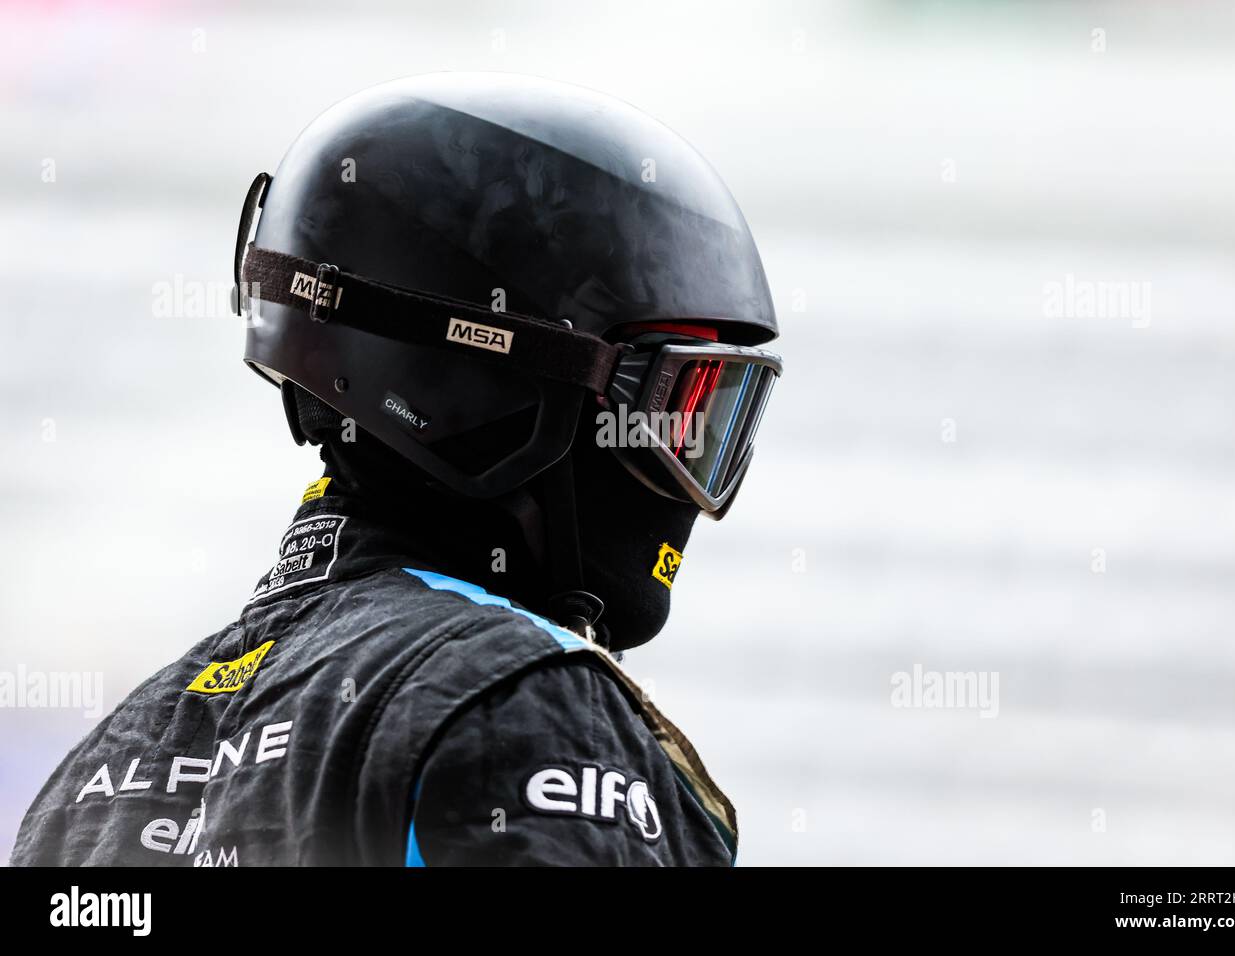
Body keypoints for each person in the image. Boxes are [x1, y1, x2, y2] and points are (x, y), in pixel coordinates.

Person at [10, 73, 782, 866]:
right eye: (679, 408)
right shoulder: (519, 703)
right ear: (483, 385)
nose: (699, 481)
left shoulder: (95, 775)